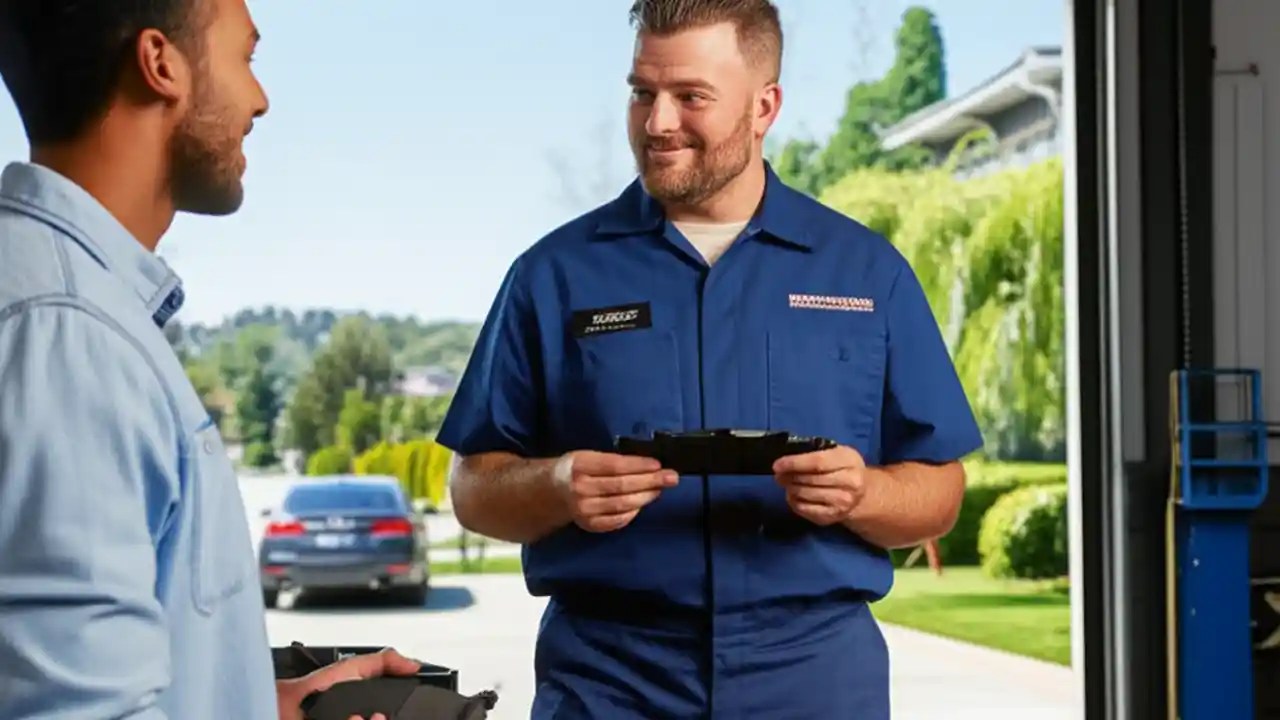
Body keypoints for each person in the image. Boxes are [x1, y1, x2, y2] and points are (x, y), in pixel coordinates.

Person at [437, 0, 984, 717]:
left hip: (814, 678)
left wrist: (865, 495)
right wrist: (557, 484)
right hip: (609, 680)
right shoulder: (552, 276)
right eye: (642, 93)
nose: (658, 122)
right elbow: (473, 488)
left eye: (690, 96)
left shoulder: (867, 275)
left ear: (765, 107)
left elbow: (939, 492)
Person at [0, 1, 419, 718]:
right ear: (161, 64)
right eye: (245, 57)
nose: (260, 98)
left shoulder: (71, 308)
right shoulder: (70, 336)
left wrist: (261, 703)